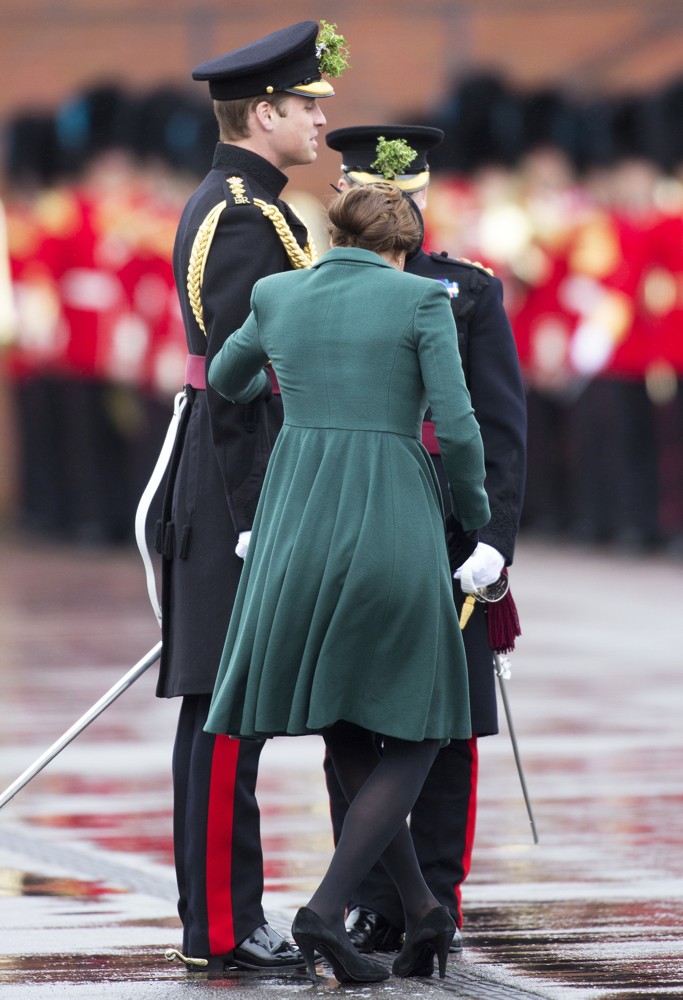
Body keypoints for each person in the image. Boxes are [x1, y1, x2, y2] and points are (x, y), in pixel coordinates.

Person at [204, 182, 491, 983]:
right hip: (391, 510)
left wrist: (296, 396)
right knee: (426, 723)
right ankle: (325, 911)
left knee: (343, 720)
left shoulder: (276, 291)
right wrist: (471, 515)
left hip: (297, 517)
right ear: (400, 247)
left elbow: (228, 380)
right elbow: (460, 426)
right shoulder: (417, 300)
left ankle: (422, 913)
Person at [152, 20, 346, 973]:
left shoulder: (252, 204)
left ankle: (221, 918)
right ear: (262, 111)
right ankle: (223, 926)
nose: (322, 116)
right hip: (235, 487)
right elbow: (240, 378)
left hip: (233, 480)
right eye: (307, 103)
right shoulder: (242, 213)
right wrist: (261, 514)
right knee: (230, 711)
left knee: (225, 709)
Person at [323, 125, 527, 952]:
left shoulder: (466, 290)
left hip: (446, 524)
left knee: (444, 726)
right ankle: (374, 897)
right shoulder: (315, 286)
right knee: (352, 718)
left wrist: (495, 539)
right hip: (350, 518)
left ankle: (432, 895)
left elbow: (501, 428)